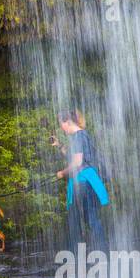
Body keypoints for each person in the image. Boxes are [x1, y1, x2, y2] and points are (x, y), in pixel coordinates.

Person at [52, 108, 109, 253]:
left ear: (67, 122)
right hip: (89, 182)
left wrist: (62, 173)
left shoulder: (78, 136)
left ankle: (74, 256)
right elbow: (77, 157)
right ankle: (102, 254)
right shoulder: (83, 135)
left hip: (83, 182)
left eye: (61, 124)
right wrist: (60, 146)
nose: (61, 128)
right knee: (91, 219)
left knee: (75, 220)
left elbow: (77, 163)